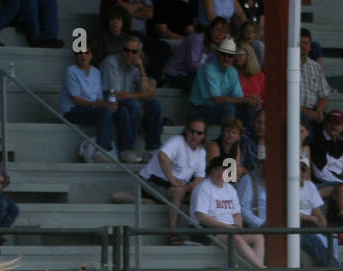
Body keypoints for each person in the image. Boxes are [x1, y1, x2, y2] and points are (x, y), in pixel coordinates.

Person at [190, 154, 265, 271]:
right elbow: (201, 216)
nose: (220, 172)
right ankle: (261, 269)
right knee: (235, 238)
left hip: (228, 229)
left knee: (258, 237)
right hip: (205, 230)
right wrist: (227, 227)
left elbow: (236, 213)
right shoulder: (203, 188)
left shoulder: (230, 188)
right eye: (217, 169)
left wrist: (238, 227)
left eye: (224, 169)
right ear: (211, 171)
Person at [139, 121, 207, 243]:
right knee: (179, 192)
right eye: (192, 131)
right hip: (152, 181)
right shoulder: (177, 140)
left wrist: (190, 186)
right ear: (186, 131)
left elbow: (200, 177)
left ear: (203, 136)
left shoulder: (201, 151)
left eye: (199, 133)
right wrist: (172, 180)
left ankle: (202, 234)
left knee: (201, 193)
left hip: (172, 187)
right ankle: (172, 233)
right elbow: (162, 156)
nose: (194, 135)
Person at [100, 35, 163, 164]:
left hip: (129, 104)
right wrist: (139, 96)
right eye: (126, 50)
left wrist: (141, 69)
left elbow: (146, 91)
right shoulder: (110, 62)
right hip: (110, 105)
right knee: (132, 104)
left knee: (154, 104)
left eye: (134, 52)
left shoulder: (135, 66)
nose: (129, 54)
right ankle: (127, 150)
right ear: (121, 50)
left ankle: (151, 149)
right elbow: (114, 94)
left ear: (139, 54)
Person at [61, 43, 116, 163]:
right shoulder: (70, 71)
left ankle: (125, 151)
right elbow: (76, 99)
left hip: (92, 109)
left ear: (92, 56)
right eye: (80, 53)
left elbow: (99, 98)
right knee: (104, 111)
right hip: (72, 110)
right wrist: (98, 105)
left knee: (119, 111)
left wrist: (108, 105)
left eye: (87, 53)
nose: (83, 56)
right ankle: (103, 150)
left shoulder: (96, 72)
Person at [298, 156, 343, 271]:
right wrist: (312, 219)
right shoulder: (287, 186)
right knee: (318, 240)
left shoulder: (310, 186)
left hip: (309, 225)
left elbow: (316, 209)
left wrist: (321, 218)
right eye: (300, 169)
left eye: (304, 169)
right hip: (298, 226)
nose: (303, 172)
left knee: (332, 238)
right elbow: (289, 212)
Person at [190, 37, 255, 128]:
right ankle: (225, 138)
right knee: (228, 107)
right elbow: (217, 100)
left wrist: (251, 101)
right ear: (218, 54)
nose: (226, 58)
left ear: (233, 58)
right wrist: (245, 100)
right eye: (223, 54)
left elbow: (238, 97)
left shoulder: (233, 71)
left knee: (251, 109)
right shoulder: (208, 68)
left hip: (218, 110)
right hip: (199, 111)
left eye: (230, 56)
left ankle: (248, 139)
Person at [162, 15, 229, 90]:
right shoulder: (197, 39)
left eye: (224, 32)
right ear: (210, 30)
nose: (220, 34)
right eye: (218, 30)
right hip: (177, 75)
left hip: (196, 76)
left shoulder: (217, 47)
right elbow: (191, 65)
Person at [311, 109, 343, 198]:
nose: (333, 126)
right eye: (330, 122)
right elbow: (320, 174)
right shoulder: (317, 143)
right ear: (325, 124)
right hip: (323, 184)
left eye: (337, 123)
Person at [299, 30, 331, 141]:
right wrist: (304, 111)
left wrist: (319, 110)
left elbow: (324, 96)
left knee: (336, 124)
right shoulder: (285, 65)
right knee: (310, 133)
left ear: (310, 47)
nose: (302, 46)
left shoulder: (316, 67)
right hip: (295, 110)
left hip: (314, 110)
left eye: (305, 43)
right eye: (299, 43)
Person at [232, 41, 265, 128]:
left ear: (249, 55)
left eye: (240, 54)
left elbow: (265, 97)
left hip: (257, 110)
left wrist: (258, 102)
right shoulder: (230, 73)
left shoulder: (259, 75)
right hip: (236, 109)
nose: (237, 57)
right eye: (234, 54)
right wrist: (247, 100)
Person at [207, 118, 248, 183]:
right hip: (212, 181)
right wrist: (235, 176)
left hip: (228, 182)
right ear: (222, 132)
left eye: (234, 133)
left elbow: (238, 169)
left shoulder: (236, 148)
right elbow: (215, 171)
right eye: (228, 131)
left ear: (239, 137)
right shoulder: (213, 145)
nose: (230, 134)